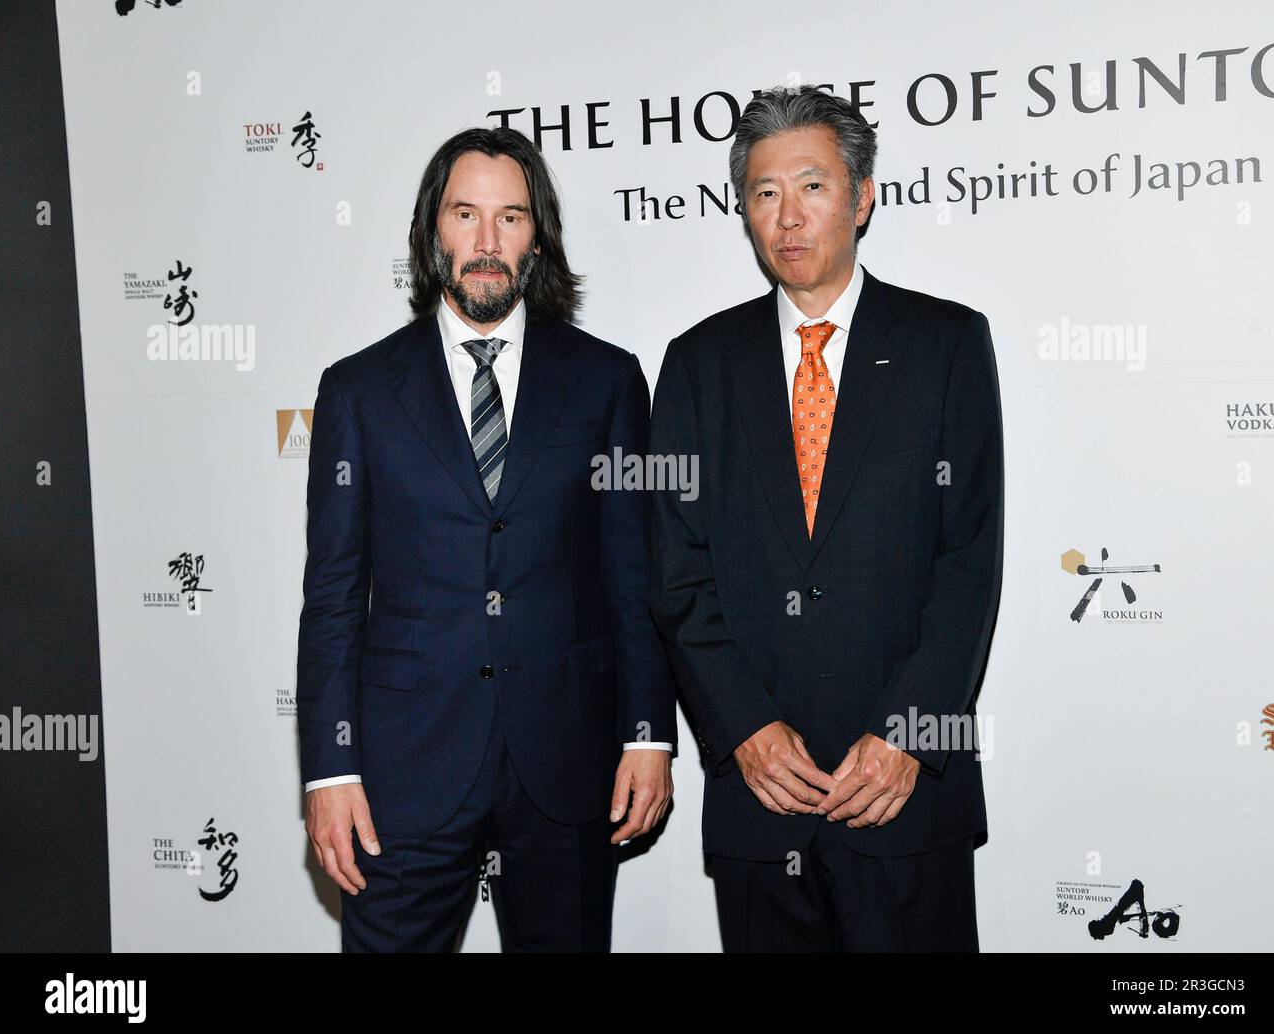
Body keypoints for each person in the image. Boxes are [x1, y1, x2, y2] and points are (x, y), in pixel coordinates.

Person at [297, 127, 675, 952]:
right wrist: (330, 767)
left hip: (567, 758)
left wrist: (647, 732)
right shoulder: (357, 390)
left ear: (537, 235)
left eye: (510, 218)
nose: (485, 241)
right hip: (403, 768)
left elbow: (633, 573)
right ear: (433, 228)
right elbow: (331, 597)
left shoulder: (608, 381)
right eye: (466, 214)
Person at [648, 85, 1004, 952]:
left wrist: (907, 736)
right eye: (764, 193)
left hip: (905, 794)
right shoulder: (698, 363)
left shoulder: (947, 343)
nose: (788, 217)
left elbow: (970, 561)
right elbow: (674, 570)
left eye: (811, 186)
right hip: (763, 802)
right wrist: (743, 732)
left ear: (864, 194)